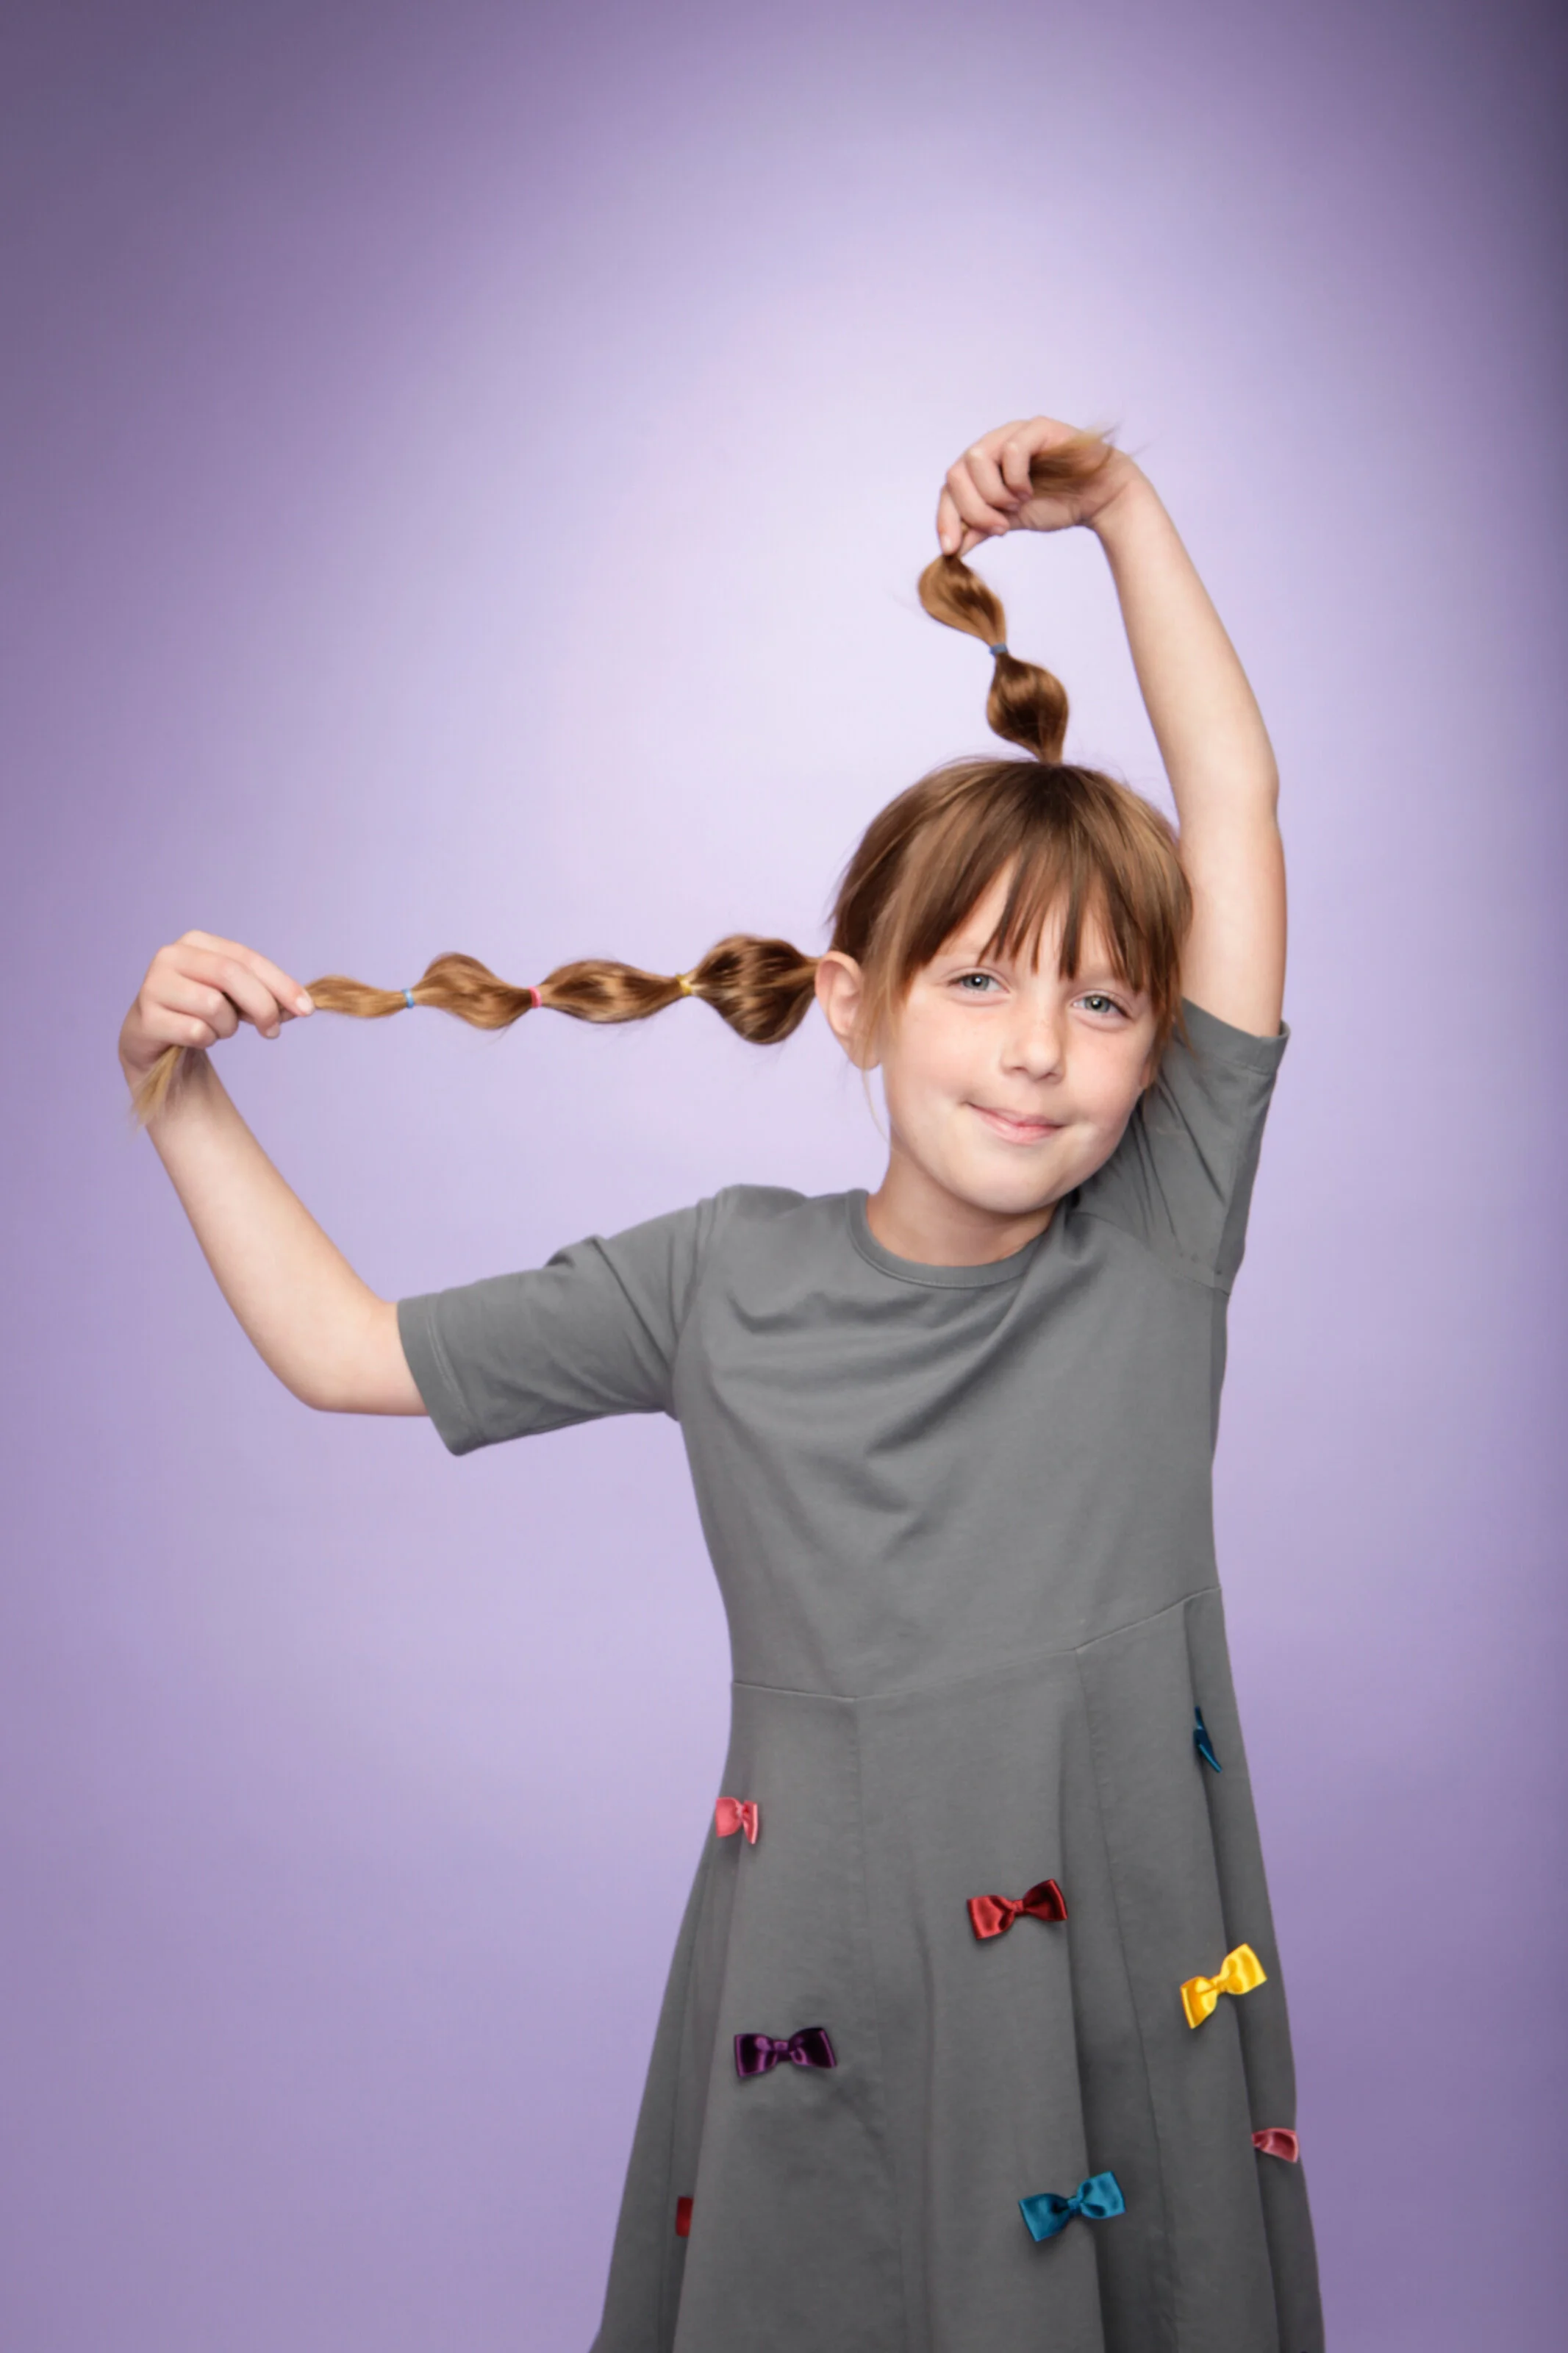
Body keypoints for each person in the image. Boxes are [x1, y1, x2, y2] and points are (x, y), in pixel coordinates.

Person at [118, 414, 1322, 2352]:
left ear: (1147, 1050)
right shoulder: (719, 1278)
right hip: (822, 1971)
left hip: (1111, 1973)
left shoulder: (1159, 1230)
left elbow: (1236, 803)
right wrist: (174, 1102)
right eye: (979, 983)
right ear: (849, 1001)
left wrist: (1123, 519)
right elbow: (348, 1354)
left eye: (1102, 1000)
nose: (1040, 1051)